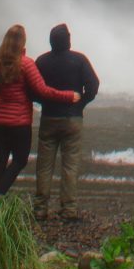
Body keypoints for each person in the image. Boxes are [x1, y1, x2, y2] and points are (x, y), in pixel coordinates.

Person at [0, 23, 80, 198]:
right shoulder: (26, 64)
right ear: (22, 42)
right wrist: (69, 96)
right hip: (19, 123)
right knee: (19, 160)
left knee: (0, 159)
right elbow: (43, 91)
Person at [33, 22, 100, 223]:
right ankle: (68, 209)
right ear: (68, 41)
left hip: (49, 117)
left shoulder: (42, 62)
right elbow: (93, 84)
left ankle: (40, 208)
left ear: (51, 42)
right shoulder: (79, 60)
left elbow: (32, 89)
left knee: (44, 165)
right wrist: (82, 103)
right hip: (72, 118)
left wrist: (43, 101)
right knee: (70, 165)